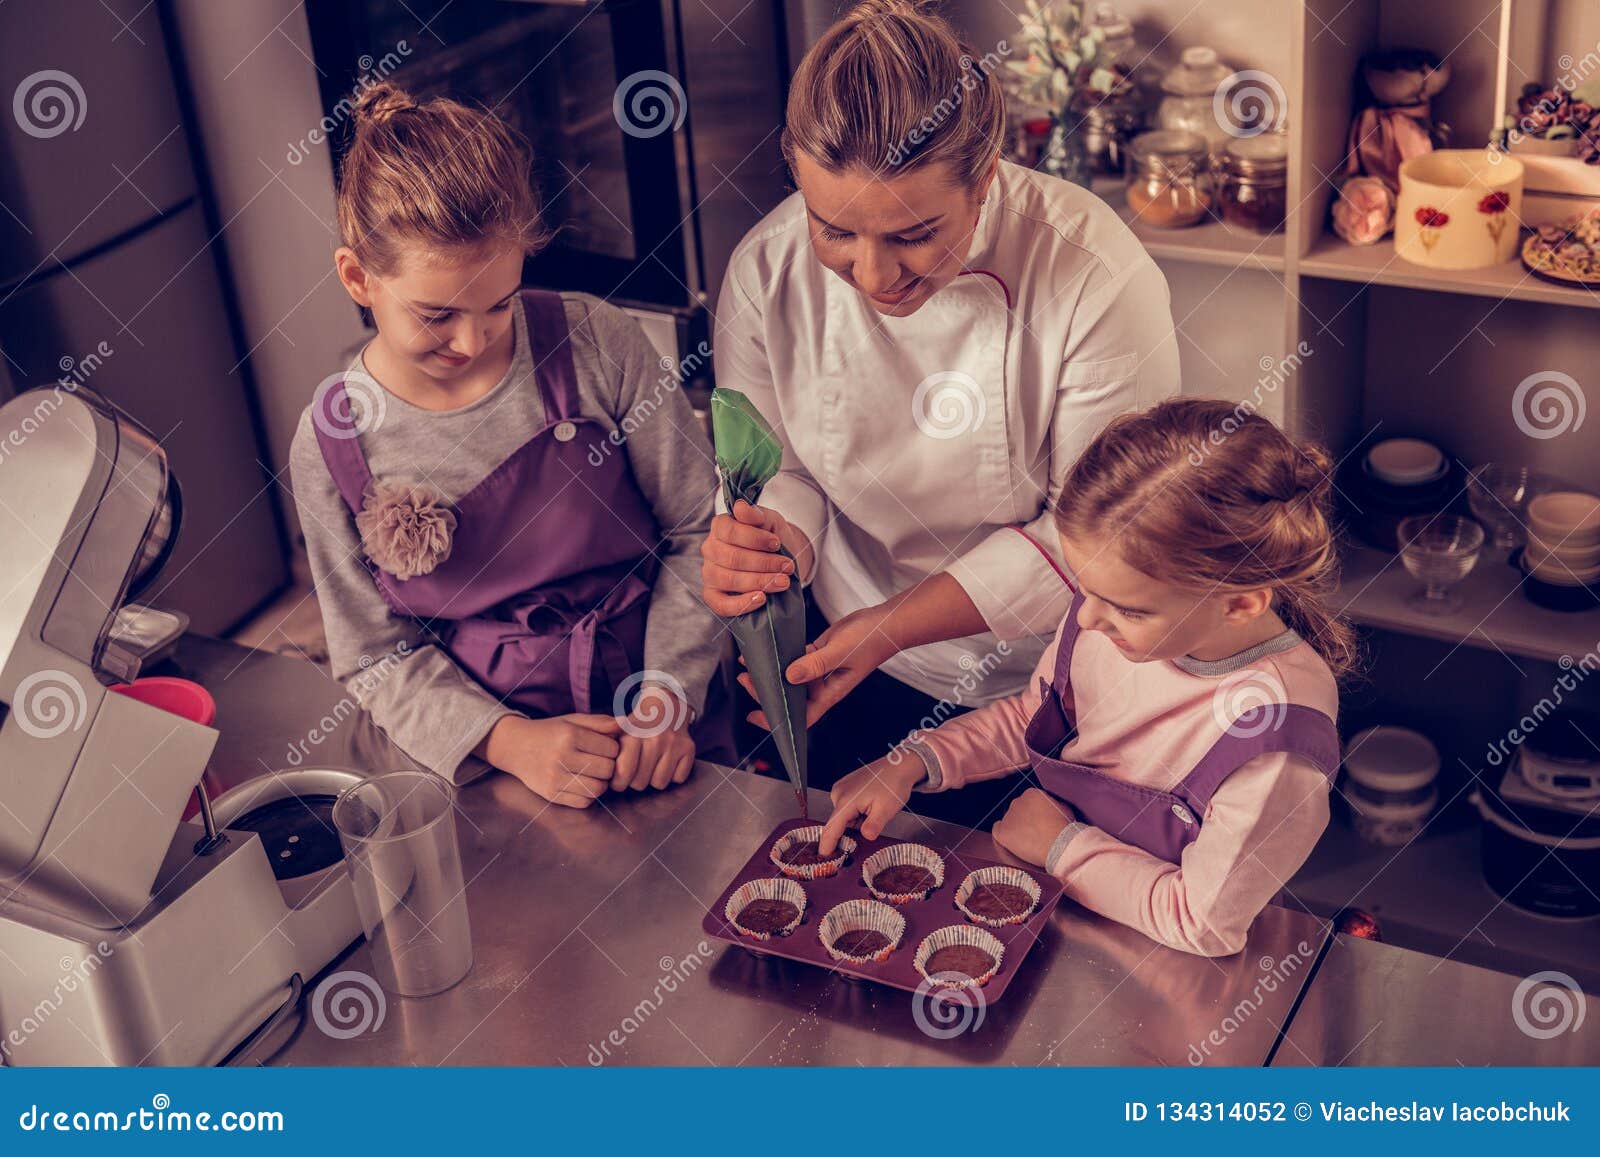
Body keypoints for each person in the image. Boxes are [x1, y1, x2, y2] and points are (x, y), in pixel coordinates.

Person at [704, 0, 1179, 823]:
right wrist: (770, 541)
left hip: (1052, 677)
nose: (875, 274)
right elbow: (783, 468)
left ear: (986, 175)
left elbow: (1099, 538)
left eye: (916, 235)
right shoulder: (762, 275)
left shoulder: (1096, 275)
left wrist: (893, 625)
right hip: (849, 657)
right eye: (835, 231)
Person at [290, 82, 730, 807]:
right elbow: (373, 654)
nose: (473, 340)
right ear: (358, 278)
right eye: (436, 315)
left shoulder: (597, 342)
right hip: (493, 767)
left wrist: (668, 693)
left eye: (499, 304)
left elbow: (698, 527)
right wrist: (506, 740)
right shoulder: (333, 441)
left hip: (665, 729)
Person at [818, 399, 1352, 957]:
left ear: (1240, 604)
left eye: (1130, 610)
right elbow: (1033, 717)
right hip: (1059, 914)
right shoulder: (1108, 615)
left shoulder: (1276, 741)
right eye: (1084, 587)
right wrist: (917, 760)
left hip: (1157, 962)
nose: (1089, 618)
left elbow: (1203, 923)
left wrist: (1061, 847)